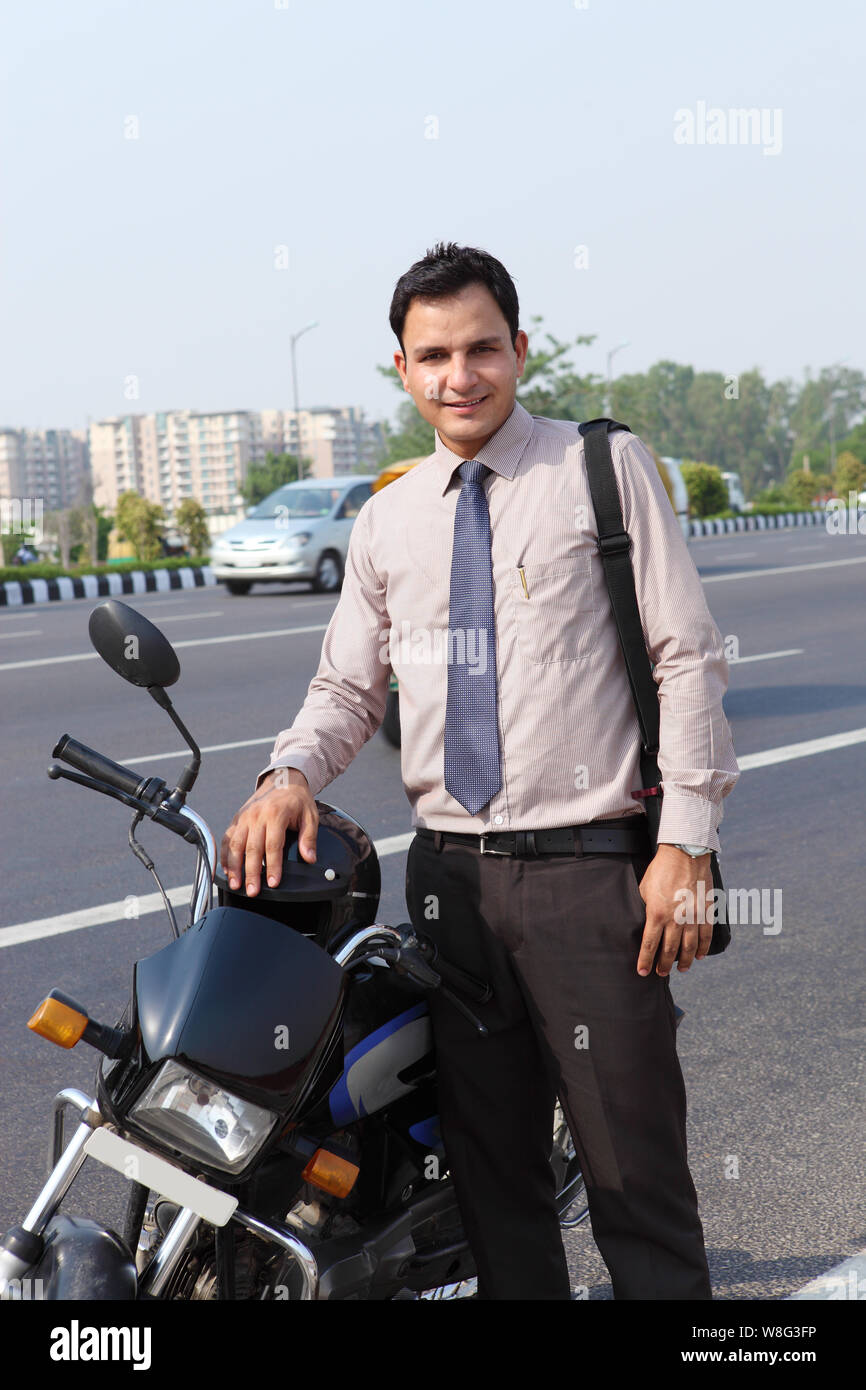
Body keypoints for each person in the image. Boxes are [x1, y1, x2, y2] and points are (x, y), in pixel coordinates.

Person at [220, 241, 739, 1300]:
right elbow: (345, 693)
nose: (459, 375)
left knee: (631, 1173)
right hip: (450, 887)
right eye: (432, 355)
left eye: (480, 349)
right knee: (492, 1181)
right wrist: (287, 775)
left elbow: (685, 654)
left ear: (520, 349)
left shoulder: (599, 469)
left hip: (590, 880)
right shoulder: (388, 517)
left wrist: (684, 840)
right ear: (402, 370)